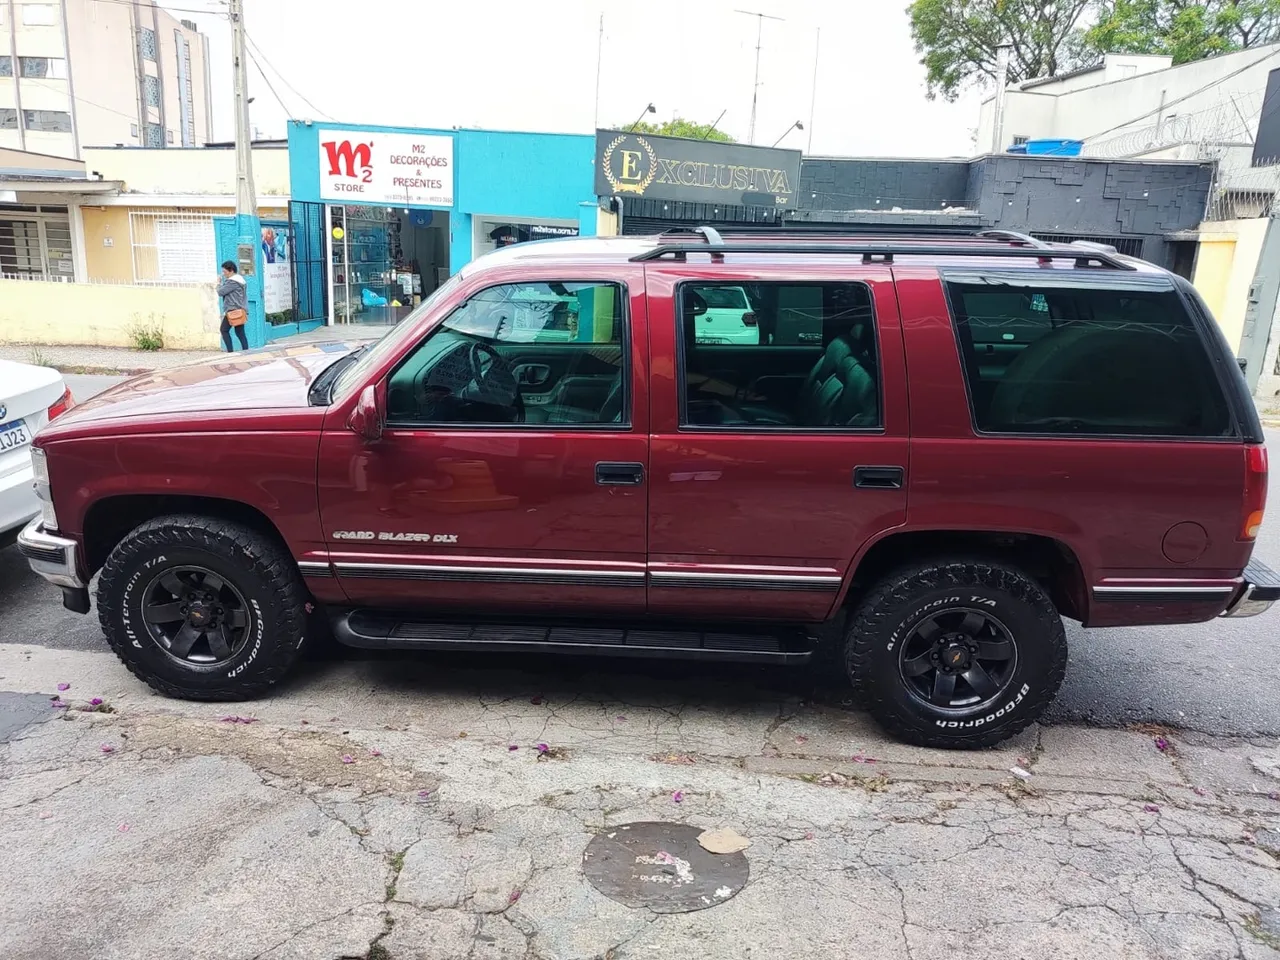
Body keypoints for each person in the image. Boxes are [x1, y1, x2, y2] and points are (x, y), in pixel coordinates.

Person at [217, 260, 249, 352]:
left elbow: (221, 292)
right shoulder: (240, 280)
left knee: (224, 330)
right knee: (240, 332)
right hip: (239, 309)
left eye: (225, 271)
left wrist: (218, 283)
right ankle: (247, 351)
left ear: (231, 270)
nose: (223, 274)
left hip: (233, 309)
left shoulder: (232, 282)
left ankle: (230, 352)